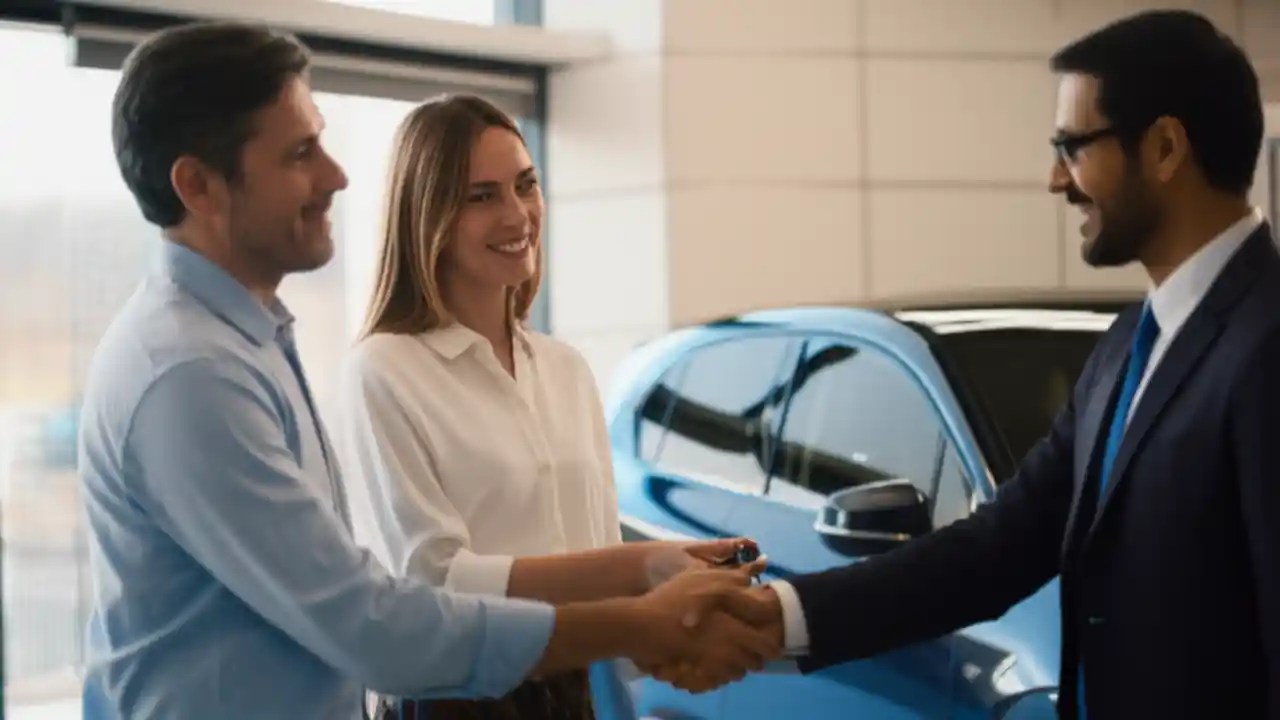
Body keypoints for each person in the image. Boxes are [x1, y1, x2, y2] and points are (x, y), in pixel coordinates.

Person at [77, 21, 778, 720]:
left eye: (525, 185)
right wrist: (642, 622)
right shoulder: (194, 377)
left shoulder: (247, 344)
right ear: (199, 186)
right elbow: (376, 621)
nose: (337, 176)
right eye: (300, 153)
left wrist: (644, 580)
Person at [722, 10, 1280, 720]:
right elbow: (1001, 546)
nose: (1056, 180)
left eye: (1072, 146)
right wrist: (776, 617)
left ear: (1166, 147)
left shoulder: (1266, 347)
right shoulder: (1127, 344)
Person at [334, 94, 754, 720]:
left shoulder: (565, 369)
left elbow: (593, 545)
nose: (517, 214)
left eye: (526, 185)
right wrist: (642, 566)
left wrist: (672, 616)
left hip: (580, 689)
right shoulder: (384, 370)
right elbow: (434, 584)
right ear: (428, 217)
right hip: (459, 700)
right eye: (482, 196)